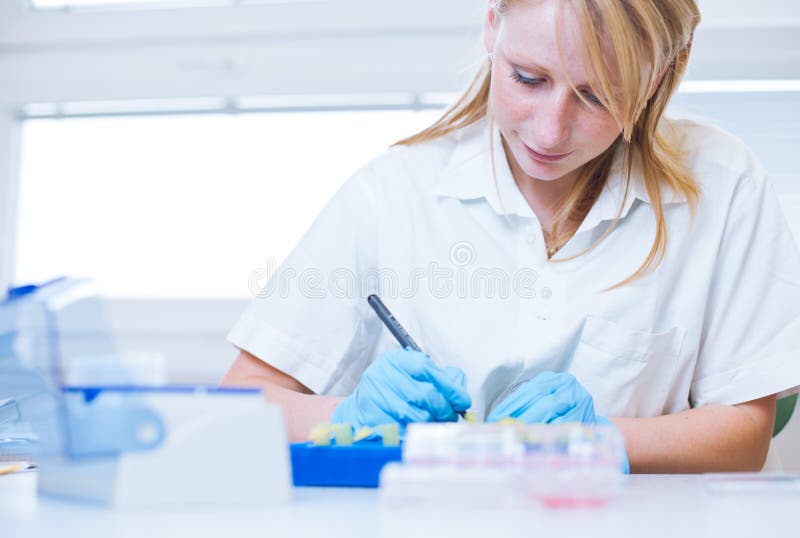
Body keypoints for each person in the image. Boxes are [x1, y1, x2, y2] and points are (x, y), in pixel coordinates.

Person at [221, 0, 800, 473]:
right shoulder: (392, 192)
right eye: (529, 78)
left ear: (656, 78)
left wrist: (604, 438)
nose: (551, 130)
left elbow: (745, 434)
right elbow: (244, 404)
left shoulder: (721, 183)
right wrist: (349, 413)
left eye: (599, 95)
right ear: (492, 28)